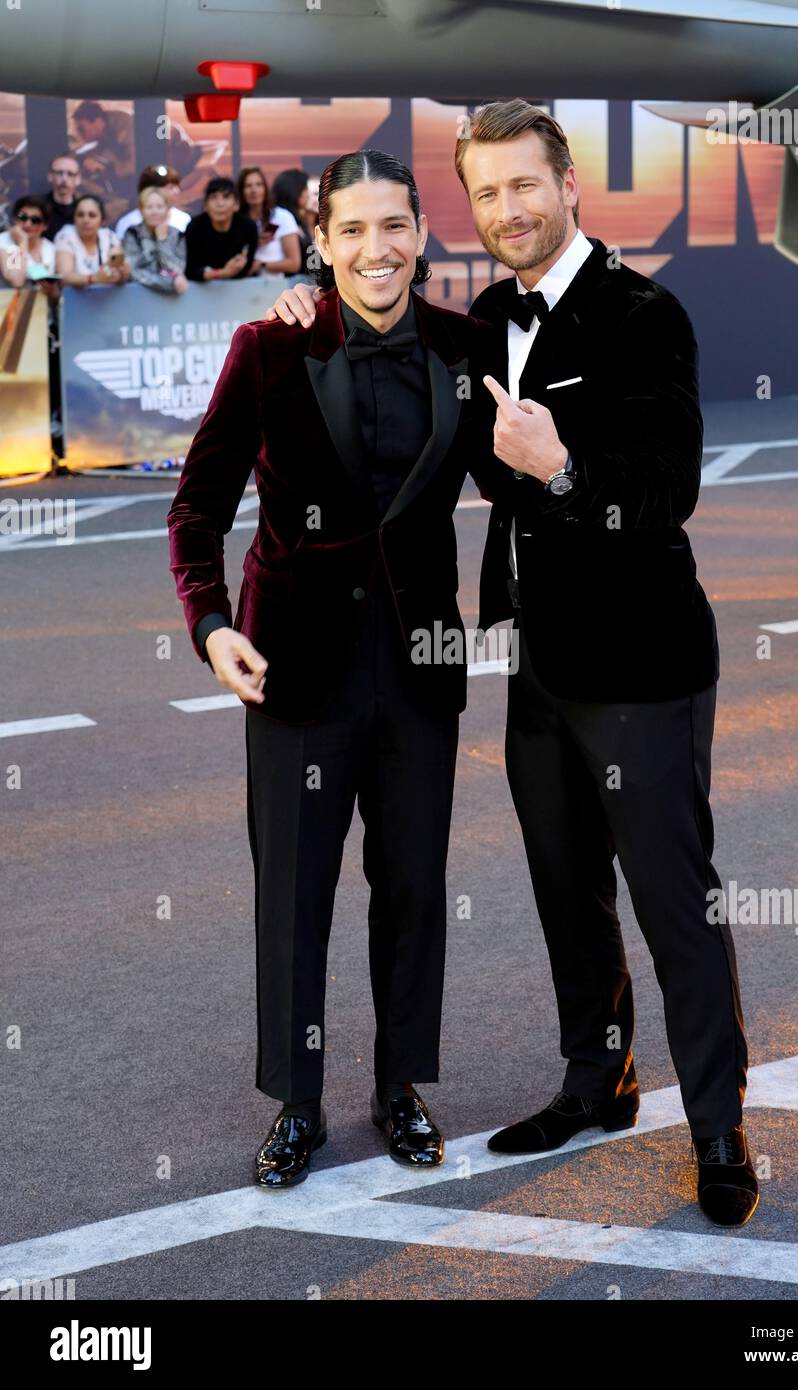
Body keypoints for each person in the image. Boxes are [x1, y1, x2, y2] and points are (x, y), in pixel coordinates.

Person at [266, 99, 758, 1228]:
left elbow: (669, 487)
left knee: (673, 901)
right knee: (564, 892)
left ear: (568, 183)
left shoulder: (645, 313)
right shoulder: (482, 318)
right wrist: (299, 300)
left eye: (523, 185)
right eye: (484, 194)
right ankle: (597, 1081)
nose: (506, 210)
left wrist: (564, 467)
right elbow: (373, 322)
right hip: (534, 670)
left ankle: (721, 1127)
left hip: (641, 669)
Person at [166, 149, 497, 1190]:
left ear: (419, 232)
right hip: (293, 671)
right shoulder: (269, 348)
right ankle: (297, 1103)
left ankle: (401, 1085)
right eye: (349, 230)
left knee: (410, 887)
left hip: (418, 671)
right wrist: (211, 622)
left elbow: (517, 484)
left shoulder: (466, 347)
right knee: (295, 894)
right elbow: (197, 508)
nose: (374, 249)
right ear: (319, 241)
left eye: (391, 226)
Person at [183, 176, 258, 282]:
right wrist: (222, 273)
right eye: (213, 197)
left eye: (226, 197)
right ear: (205, 205)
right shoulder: (195, 227)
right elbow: (190, 270)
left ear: (236, 204)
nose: (220, 204)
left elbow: (248, 265)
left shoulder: (248, 227)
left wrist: (239, 267)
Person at [122, 187, 188, 295]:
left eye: (160, 207)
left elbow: (177, 270)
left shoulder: (177, 235)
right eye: (149, 207)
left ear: (168, 210)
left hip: (172, 303)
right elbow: (134, 271)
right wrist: (169, 283)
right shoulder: (133, 233)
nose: (154, 212)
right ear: (141, 210)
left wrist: (162, 240)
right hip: (138, 297)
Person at [237, 166, 301, 276]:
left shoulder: (281, 216)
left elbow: (294, 264)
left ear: (265, 188)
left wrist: (262, 265)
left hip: (275, 287)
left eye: (259, 184)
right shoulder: (236, 220)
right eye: (248, 186)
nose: (254, 190)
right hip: (241, 286)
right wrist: (254, 243)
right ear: (241, 191)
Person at [54, 193, 129, 288]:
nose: (85, 220)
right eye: (80, 215)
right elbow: (65, 277)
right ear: (74, 218)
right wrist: (94, 278)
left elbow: (118, 270)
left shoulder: (109, 237)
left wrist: (122, 274)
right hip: (74, 300)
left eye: (92, 215)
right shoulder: (65, 236)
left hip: (107, 298)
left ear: (102, 220)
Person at [115, 165, 191, 242]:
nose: (177, 192)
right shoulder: (129, 222)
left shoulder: (184, 219)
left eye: (177, 186)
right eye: (170, 187)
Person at [0, 195, 57, 287]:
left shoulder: (50, 249)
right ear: (14, 219)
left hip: (39, 300)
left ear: (45, 226)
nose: (28, 224)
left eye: (35, 220)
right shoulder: (3, 241)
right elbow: (16, 281)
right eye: (22, 217)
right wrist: (22, 242)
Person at [271, 168, 315, 270]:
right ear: (294, 191)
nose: (307, 194)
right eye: (304, 189)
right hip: (283, 283)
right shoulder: (277, 218)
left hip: (306, 282)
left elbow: (314, 264)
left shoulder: (303, 221)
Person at [42, 152, 81, 239]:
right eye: (59, 173)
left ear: (78, 179)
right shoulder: (37, 208)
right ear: (50, 176)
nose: (64, 179)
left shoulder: (84, 210)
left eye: (70, 174)